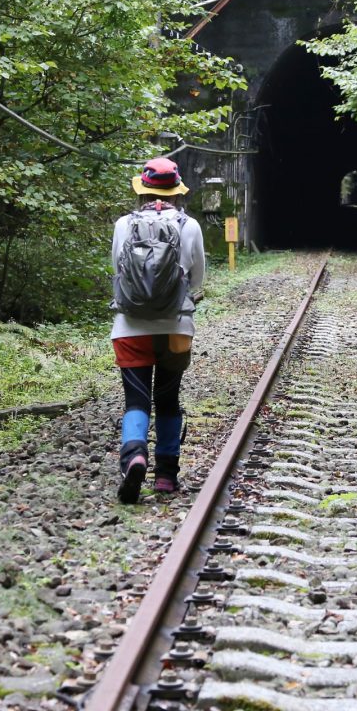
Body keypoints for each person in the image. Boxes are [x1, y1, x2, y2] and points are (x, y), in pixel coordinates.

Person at [110, 157, 206, 504]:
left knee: (136, 400)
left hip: (129, 328)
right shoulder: (189, 225)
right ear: (176, 189)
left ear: (143, 189)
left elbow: (117, 273)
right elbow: (197, 279)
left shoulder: (124, 224)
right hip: (176, 329)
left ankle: (134, 456)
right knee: (168, 399)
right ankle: (166, 476)